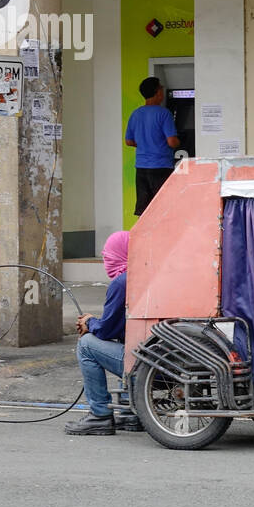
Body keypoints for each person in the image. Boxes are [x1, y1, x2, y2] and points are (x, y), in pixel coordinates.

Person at [65, 231, 136, 436]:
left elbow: (106, 330)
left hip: (142, 362)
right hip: (155, 355)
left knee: (86, 344)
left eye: (108, 256)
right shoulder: (147, 276)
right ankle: (130, 413)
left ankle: (100, 415)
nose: (106, 261)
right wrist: (94, 321)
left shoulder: (122, 283)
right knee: (127, 341)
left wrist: (89, 323)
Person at [125, 76, 181, 216]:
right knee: (163, 208)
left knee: (144, 210)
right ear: (157, 92)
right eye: (161, 88)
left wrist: (145, 144)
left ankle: (144, 237)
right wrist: (181, 141)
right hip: (161, 167)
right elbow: (172, 142)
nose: (162, 90)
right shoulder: (164, 114)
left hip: (142, 168)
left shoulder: (136, 114)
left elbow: (129, 141)